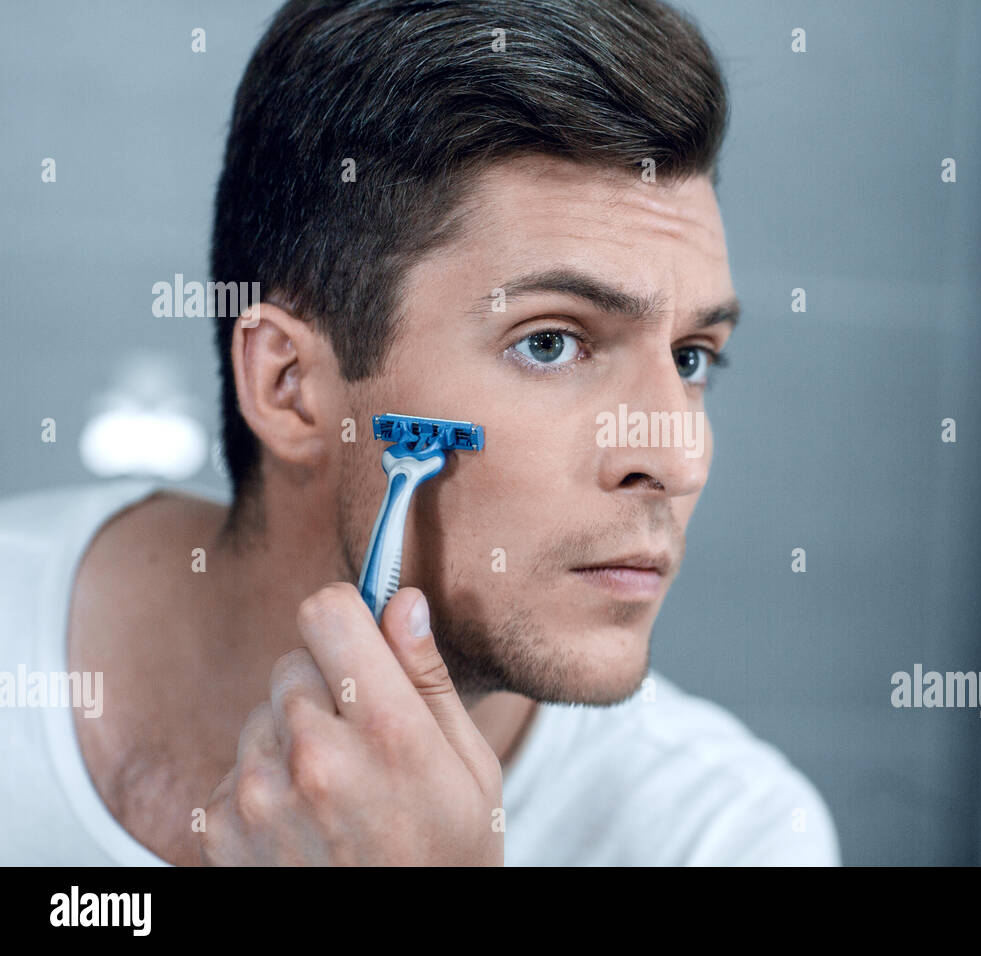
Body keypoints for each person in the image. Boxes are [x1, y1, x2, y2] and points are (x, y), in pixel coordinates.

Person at [0, 0, 839, 866]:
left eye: (693, 358)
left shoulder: (722, 835)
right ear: (288, 387)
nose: (677, 457)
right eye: (551, 343)